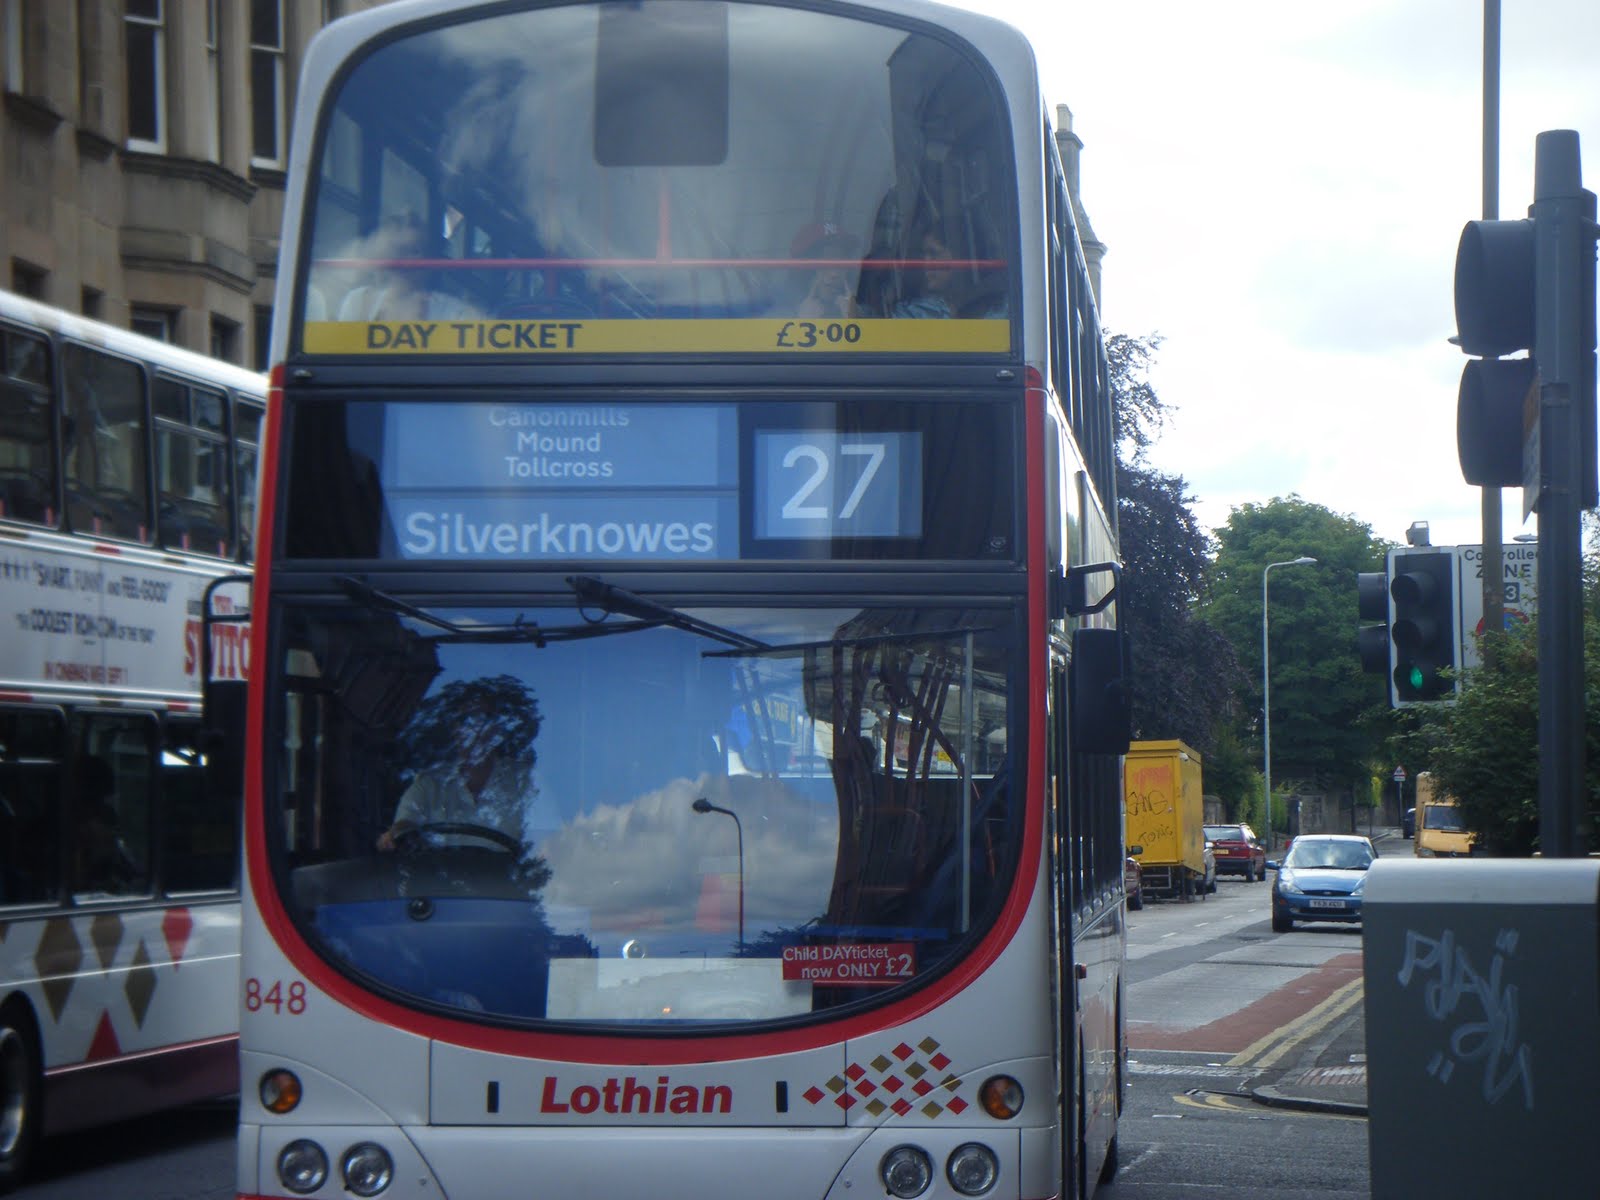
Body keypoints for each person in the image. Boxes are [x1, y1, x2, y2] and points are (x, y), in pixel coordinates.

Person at [377, 687, 536, 851]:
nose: (475, 729)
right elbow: (405, 826)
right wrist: (393, 836)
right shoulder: (429, 785)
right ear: (455, 729)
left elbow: (545, 841)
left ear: (495, 728)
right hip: (434, 876)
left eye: (483, 719)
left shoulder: (525, 780)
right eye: (466, 720)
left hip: (510, 875)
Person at [337, 210, 473, 322]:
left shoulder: (452, 311)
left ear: (429, 258)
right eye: (400, 250)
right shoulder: (359, 301)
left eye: (415, 251)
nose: (407, 261)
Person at [789, 221, 861, 319]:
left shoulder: (867, 315)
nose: (834, 273)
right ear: (806, 271)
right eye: (824, 264)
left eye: (841, 264)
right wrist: (801, 322)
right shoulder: (775, 315)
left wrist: (855, 321)